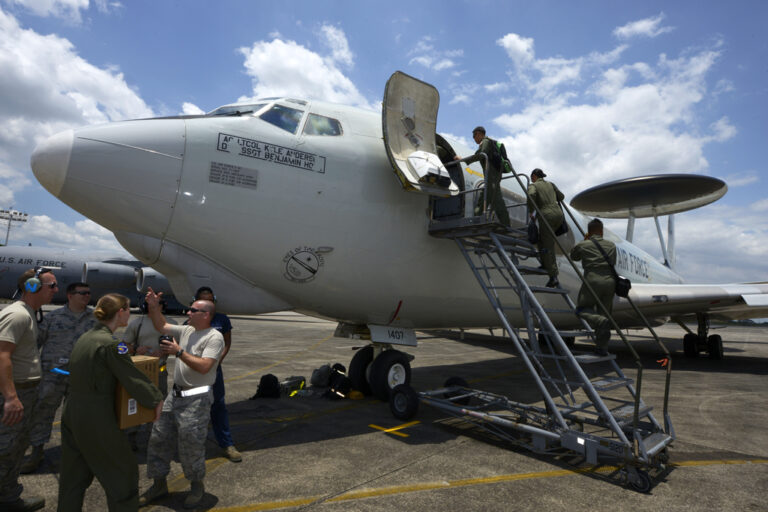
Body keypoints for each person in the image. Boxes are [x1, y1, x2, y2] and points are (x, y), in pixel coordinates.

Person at [57, 293, 163, 512]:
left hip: (72, 411)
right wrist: (155, 399)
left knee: (73, 475)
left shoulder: (86, 337)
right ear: (121, 312)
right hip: (96, 415)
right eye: (128, 309)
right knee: (122, 471)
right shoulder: (112, 345)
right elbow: (131, 376)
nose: (130, 313)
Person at [139, 287, 224, 509]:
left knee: (191, 443)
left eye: (193, 310)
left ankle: (197, 486)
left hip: (196, 398)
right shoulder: (187, 330)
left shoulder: (214, 337)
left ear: (205, 315)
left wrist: (178, 352)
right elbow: (161, 325)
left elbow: (205, 367)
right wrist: (154, 306)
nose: (188, 313)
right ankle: (159, 484)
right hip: (174, 395)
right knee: (158, 437)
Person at [20, 282, 96, 474]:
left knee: (78, 417)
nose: (87, 296)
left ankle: (76, 453)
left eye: (88, 293)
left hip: (80, 376)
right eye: (82, 293)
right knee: (42, 413)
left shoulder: (95, 319)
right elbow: (35, 344)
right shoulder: (53, 318)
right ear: (70, 295)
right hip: (52, 375)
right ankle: (36, 452)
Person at [0, 268, 57, 512]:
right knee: (6, 449)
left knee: (15, 448)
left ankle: (9, 496)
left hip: (26, 390)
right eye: (51, 285)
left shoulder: (29, 313)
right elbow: (2, 355)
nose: (56, 290)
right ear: (33, 287)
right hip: (17, 392)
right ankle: (7, 499)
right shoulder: (18, 315)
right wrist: (11, 397)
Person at [193, 286, 241, 463]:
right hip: (197, 371)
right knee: (196, 407)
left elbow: (227, 342)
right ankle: (195, 445)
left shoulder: (222, 319)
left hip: (215, 370)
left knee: (218, 406)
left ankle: (227, 444)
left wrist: (218, 360)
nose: (209, 303)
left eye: (212, 300)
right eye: (205, 300)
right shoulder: (192, 320)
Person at [570, 218, 617, 355]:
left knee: (582, 308)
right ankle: (602, 347)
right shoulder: (611, 245)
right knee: (605, 314)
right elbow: (612, 261)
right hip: (610, 281)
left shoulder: (584, 244)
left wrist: (585, 240)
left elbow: (574, 257)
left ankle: (599, 320)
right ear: (602, 231)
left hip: (593, 280)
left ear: (589, 232)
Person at [122, 299, 177, 396]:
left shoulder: (172, 324)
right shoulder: (137, 323)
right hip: (139, 369)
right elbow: (121, 347)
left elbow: (179, 348)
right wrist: (135, 349)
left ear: (162, 306)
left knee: (160, 398)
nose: (153, 306)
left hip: (160, 369)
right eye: (150, 304)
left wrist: (164, 352)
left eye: (156, 304)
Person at [457, 126, 510, 226]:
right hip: (492, 177)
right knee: (494, 201)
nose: (473, 138)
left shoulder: (486, 141)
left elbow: (482, 154)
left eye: (474, 135)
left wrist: (464, 159)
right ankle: (505, 224)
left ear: (480, 134)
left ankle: (477, 222)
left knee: (488, 202)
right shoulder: (488, 142)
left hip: (491, 177)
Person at [528, 168, 565, 288]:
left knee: (548, 245)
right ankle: (545, 263)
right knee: (542, 239)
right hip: (558, 214)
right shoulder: (551, 184)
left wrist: (531, 211)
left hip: (546, 215)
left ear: (534, 176)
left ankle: (553, 277)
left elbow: (531, 194)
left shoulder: (534, 185)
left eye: (531, 176)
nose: (531, 179)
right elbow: (561, 196)